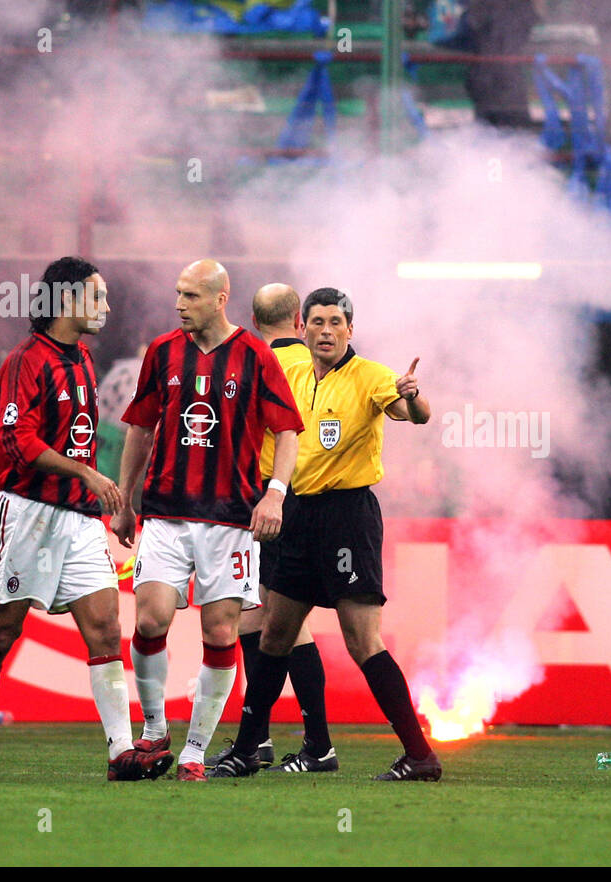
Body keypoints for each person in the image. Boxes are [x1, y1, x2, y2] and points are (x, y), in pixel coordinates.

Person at [0, 255, 173, 782]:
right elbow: (18, 440)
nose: (107, 306)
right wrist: (88, 474)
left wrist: (95, 486)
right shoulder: (27, 360)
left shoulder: (84, 359)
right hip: (28, 512)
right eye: (98, 297)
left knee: (104, 627)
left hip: (76, 519)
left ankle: (122, 752)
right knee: (2, 631)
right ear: (67, 301)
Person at [209, 287, 442, 781]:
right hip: (296, 517)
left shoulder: (372, 377)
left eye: (336, 322)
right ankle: (251, 747)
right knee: (274, 634)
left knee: (362, 640)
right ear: (303, 328)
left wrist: (414, 397)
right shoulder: (289, 372)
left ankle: (420, 754)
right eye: (316, 322)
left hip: (346, 519)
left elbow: (414, 416)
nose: (326, 331)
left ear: (350, 330)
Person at [112, 259, 304, 782]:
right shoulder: (162, 351)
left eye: (191, 296)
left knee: (219, 633)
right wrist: (125, 498)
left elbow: (288, 430)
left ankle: (195, 752)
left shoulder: (255, 356)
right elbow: (140, 428)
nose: (180, 304)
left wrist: (275, 495)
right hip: (167, 514)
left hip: (230, 521)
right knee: (150, 620)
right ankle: (154, 732)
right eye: (177, 294)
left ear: (221, 299)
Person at [203, 282, 327, 771]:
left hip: (257, 496)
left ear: (252, 321)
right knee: (260, 618)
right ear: (300, 321)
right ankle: (261, 740)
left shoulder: (247, 359)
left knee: (279, 622)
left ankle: (315, 743)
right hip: (299, 496)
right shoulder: (318, 365)